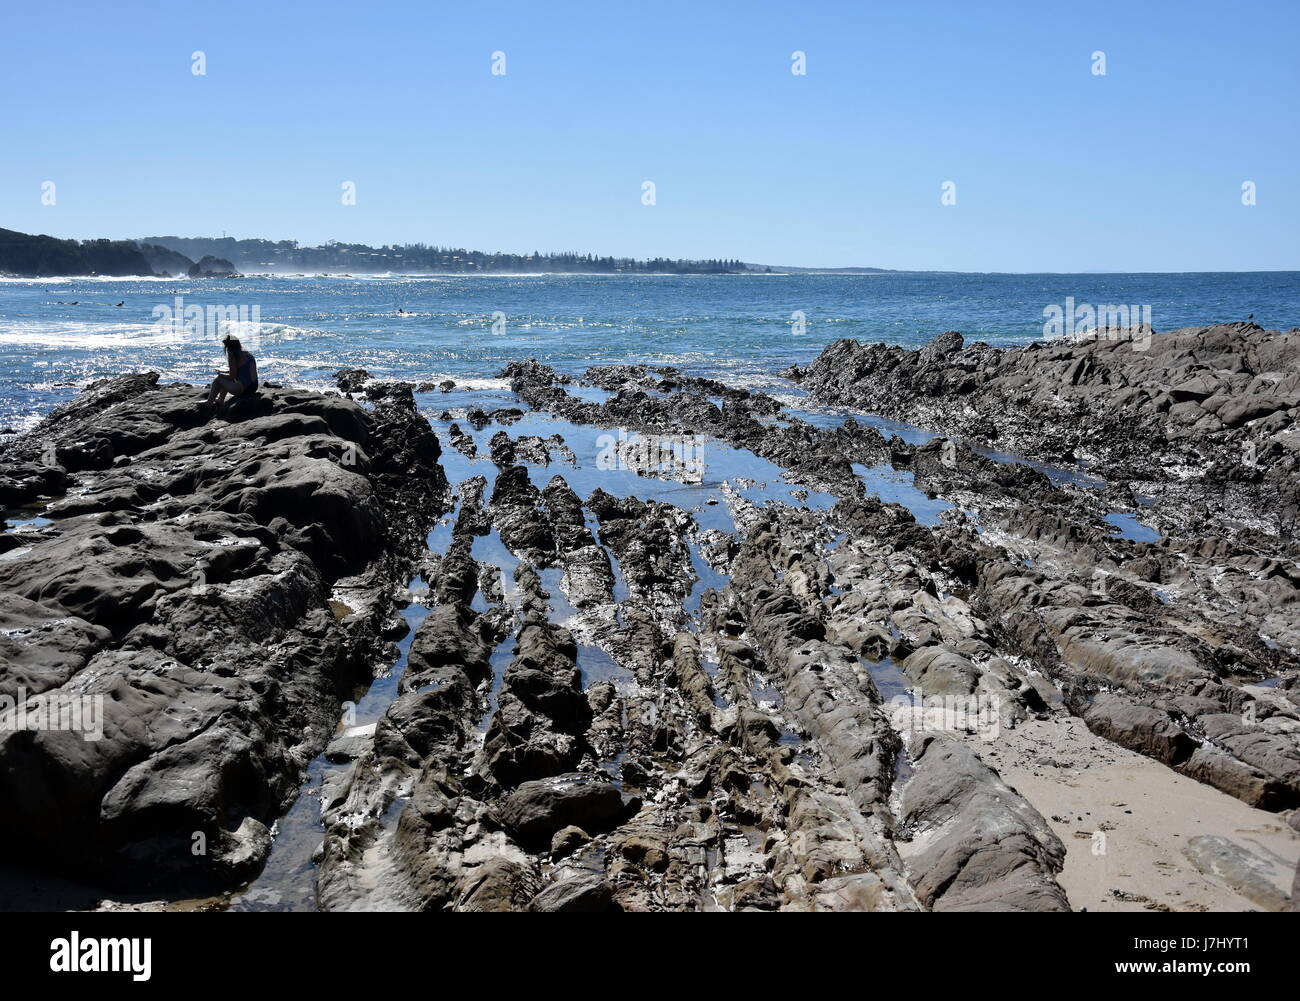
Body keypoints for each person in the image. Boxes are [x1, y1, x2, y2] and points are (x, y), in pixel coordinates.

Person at [203, 335, 258, 411]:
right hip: (253, 388)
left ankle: (209, 402)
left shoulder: (233, 356)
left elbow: (232, 377)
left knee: (218, 379)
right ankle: (220, 400)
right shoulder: (248, 354)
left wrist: (221, 374)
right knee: (225, 379)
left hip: (243, 389)